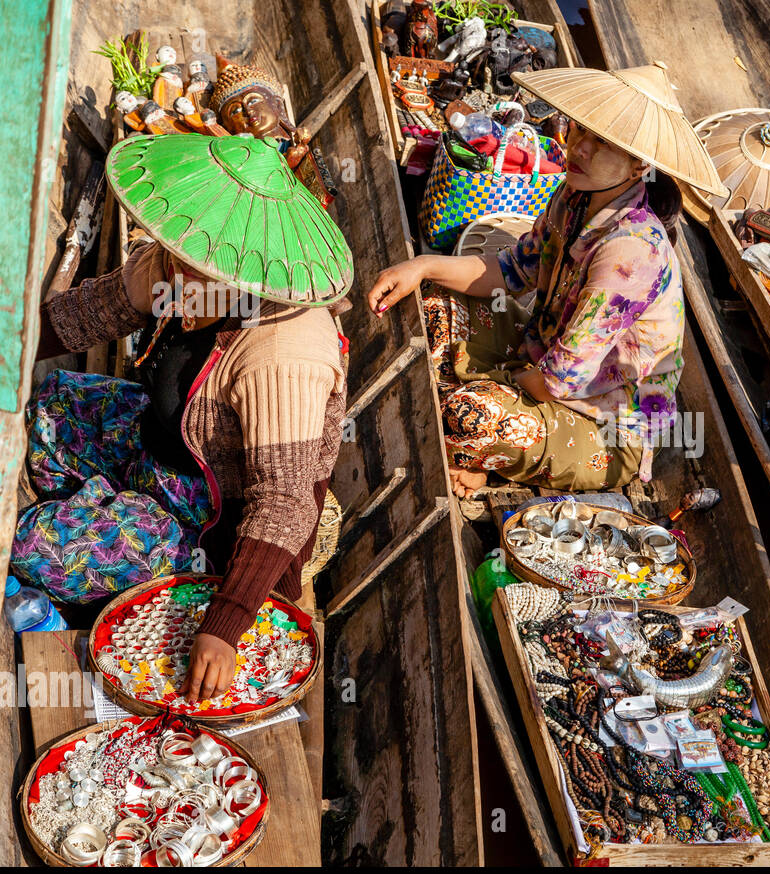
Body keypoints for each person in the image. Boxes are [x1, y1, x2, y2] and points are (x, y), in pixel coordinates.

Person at [27, 132, 351, 703]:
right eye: (176, 261)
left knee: (36, 546)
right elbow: (94, 311)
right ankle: (105, 506)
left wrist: (224, 627)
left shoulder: (285, 350)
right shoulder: (185, 264)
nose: (175, 277)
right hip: (162, 445)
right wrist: (12, 346)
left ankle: (111, 530)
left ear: (244, 279)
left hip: (207, 516)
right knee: (55, 401)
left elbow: (283, 502)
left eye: (193, 273)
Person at [367, 64, 725, 496]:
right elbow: (510, 269)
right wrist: (422, 266)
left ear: (637, 167)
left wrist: (490, 381)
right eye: (580, 131)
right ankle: (480, 449)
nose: (580, 148)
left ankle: (487, 456)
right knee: (427, 300)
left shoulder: (632, 253)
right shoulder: (573, 195)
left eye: (602, 143)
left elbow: (557, 381)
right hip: (537, 353)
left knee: (466, 413)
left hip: (603, 427)